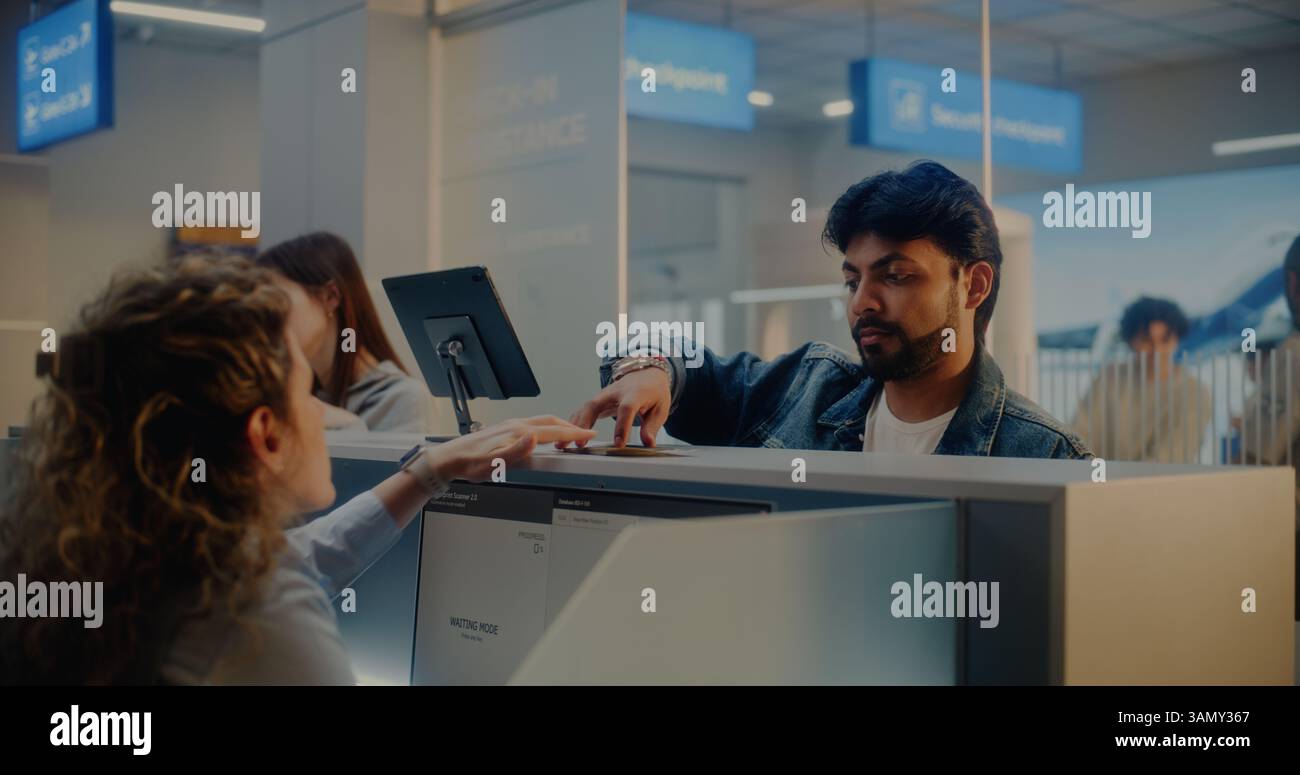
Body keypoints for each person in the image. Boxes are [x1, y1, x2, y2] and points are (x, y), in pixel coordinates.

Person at [0, 254, 594, 685]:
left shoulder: (111, 559)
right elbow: (274, 582)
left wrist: (428, 473)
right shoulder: (256, 622)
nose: (320, 413)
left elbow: (300, 557)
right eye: (304, 392)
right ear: (265, 435)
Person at [561, 160, 1089, 459]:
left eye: (896, 276)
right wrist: (649, 371)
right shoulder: (804, 390)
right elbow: (680, 363)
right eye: (852, 280)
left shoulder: (1043, 454)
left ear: (972, 285)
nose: (862, 302)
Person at [256, 232, 433, 433]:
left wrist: (350, 428)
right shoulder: (292, 394)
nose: (266, 319)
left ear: (331, 296)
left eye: (276, 301)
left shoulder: (400, 398)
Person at [1070, 297, 1210, 462]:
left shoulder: (1194, 392)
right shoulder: (1109, 378)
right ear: (1131, 341)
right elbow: (1078, 434)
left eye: (1165, 340)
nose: (1157, 350)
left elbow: (1170, 457)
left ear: (1177, 340)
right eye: (1146, 340)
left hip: (1158, 485)